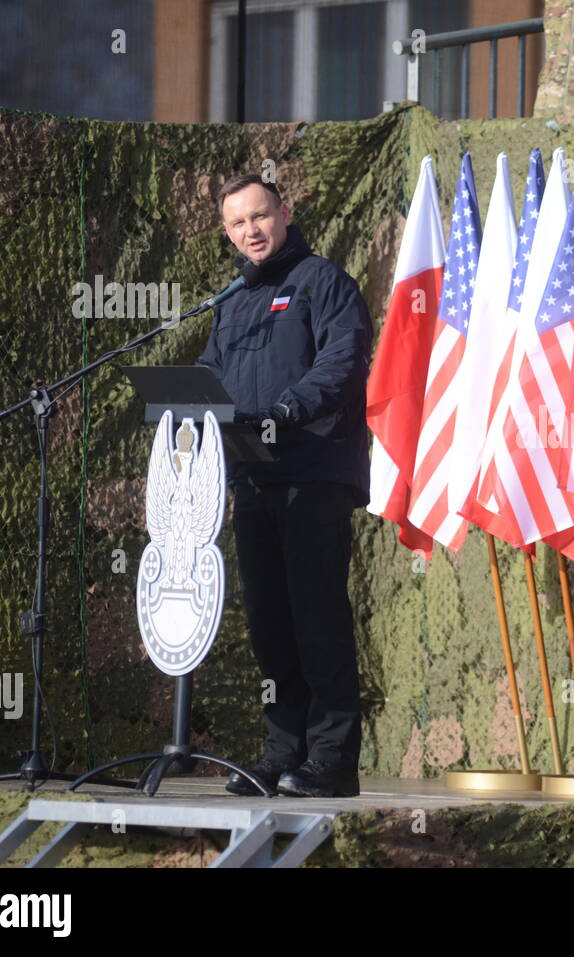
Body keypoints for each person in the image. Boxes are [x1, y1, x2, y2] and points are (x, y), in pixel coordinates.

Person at [196, 174, 371, 798]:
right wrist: (185, 401)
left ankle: (332, 759)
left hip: (314, 472)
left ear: (285, 213)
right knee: (270, 623)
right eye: (238, 223)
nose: (251, 230)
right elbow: (211, 375)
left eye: (260, 216)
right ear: (227, 233)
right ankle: (282, 753)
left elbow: (343, 362)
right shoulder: (232, 300)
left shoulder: (323, 281)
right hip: (252, 477)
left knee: (316, 615)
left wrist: (288, 409)